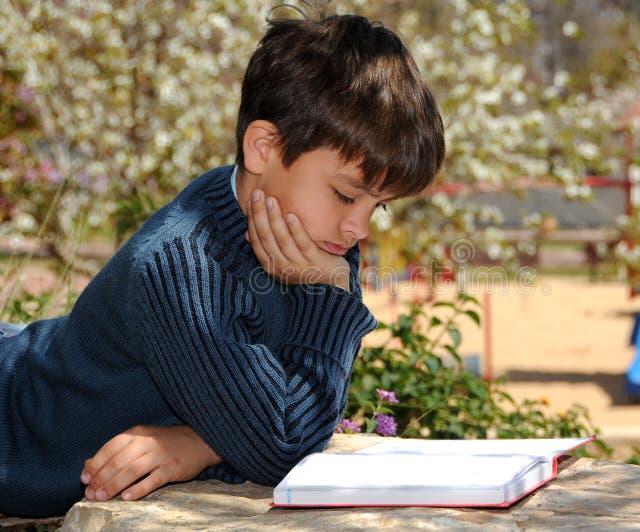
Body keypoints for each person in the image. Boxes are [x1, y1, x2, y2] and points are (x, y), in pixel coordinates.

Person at [0, 12, 444, 517]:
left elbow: (293, 417)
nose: (360, 228)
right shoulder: (181, 266)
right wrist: (222, 439)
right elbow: (283, 445)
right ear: (263, 148)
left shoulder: (318, 235)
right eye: (346, 195)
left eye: (378, 205)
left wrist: (199, 444)